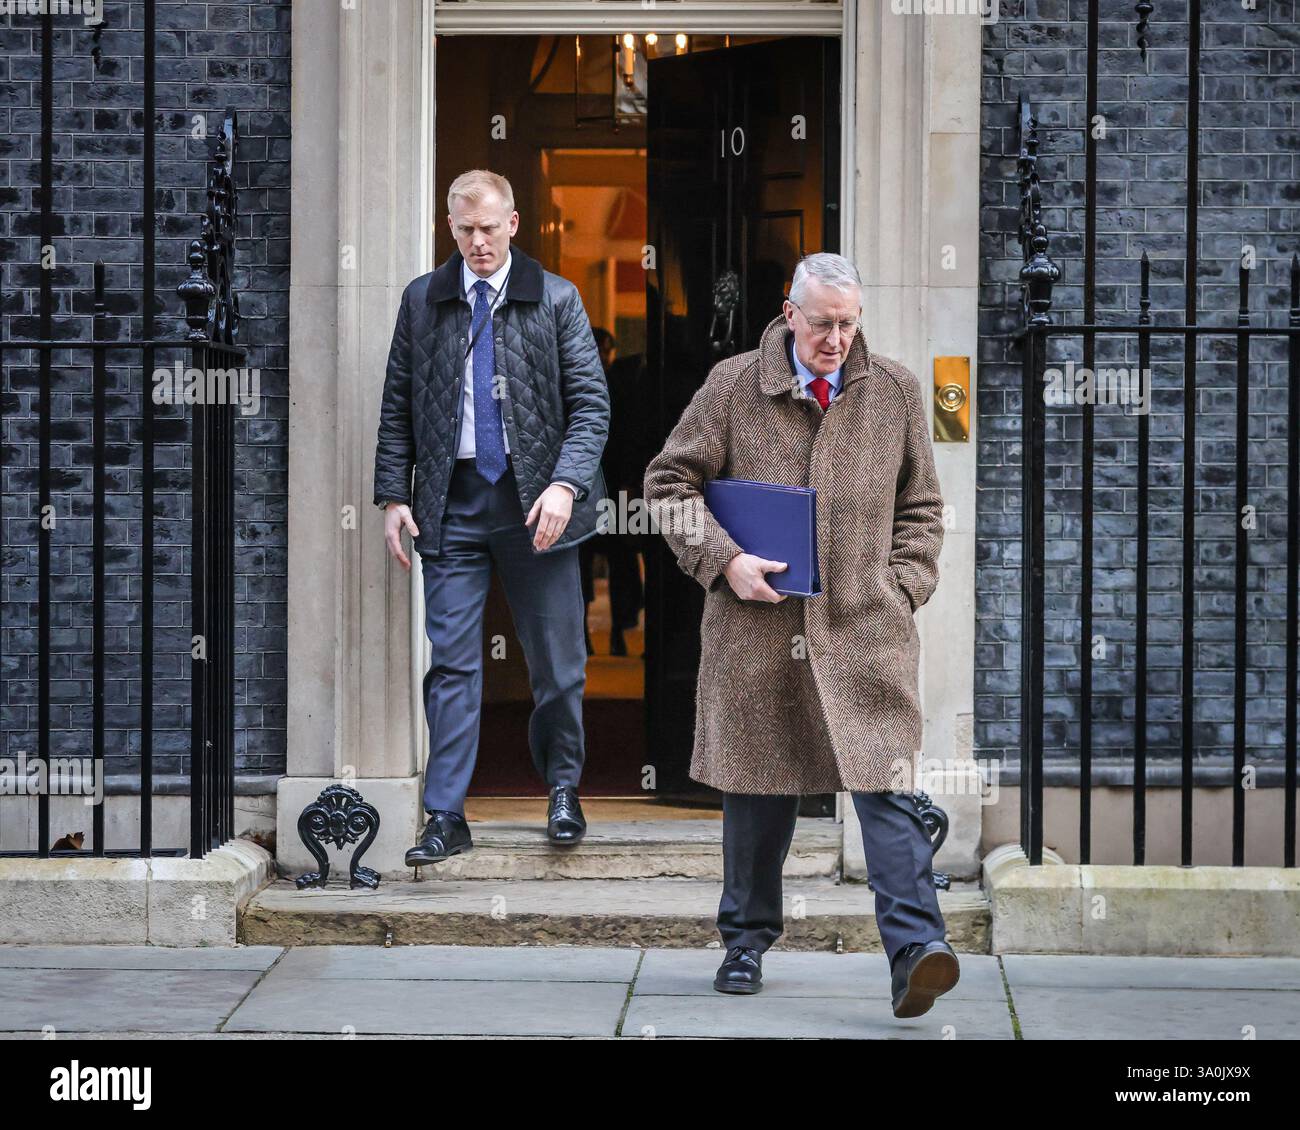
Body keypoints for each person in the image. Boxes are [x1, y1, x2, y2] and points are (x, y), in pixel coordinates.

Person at [642, 251, 958, 1018]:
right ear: (790, 313)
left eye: (850, 324)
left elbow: (921, 508)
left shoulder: (895, 393)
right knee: (758, 792)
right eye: (823, 324)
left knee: (887, 789)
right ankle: (745, 940)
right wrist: (725, 561)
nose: (838, 338)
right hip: (757, 630)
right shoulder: (731, 385)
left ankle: (916, 950)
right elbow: (667, 484)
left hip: (864, 628)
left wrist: (902, 587)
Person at [373, 169, 610, 862]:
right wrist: (394, 496)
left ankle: (564, 788)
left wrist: (566, 485)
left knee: (559, 666)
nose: (478, 242)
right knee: (452, 664)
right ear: (452, 229)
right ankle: (445, 813)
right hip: (450, 504)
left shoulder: (556, 299)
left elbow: (592, 406)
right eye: (465, 230)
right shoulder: (424, 302)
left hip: (538, 505)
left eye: (490, 228)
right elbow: (397, 408)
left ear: (513, 225)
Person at [579, 327, 645, 656]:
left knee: (620, 560)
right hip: (586, 486)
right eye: (598, 349)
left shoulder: (620, 385)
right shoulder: (580, 382)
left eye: (607, 350)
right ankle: (587, 632)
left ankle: (619, 630)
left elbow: (630, 436)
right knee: (584, 561)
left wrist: (631, 482)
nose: (603, 356)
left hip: (615, 486)